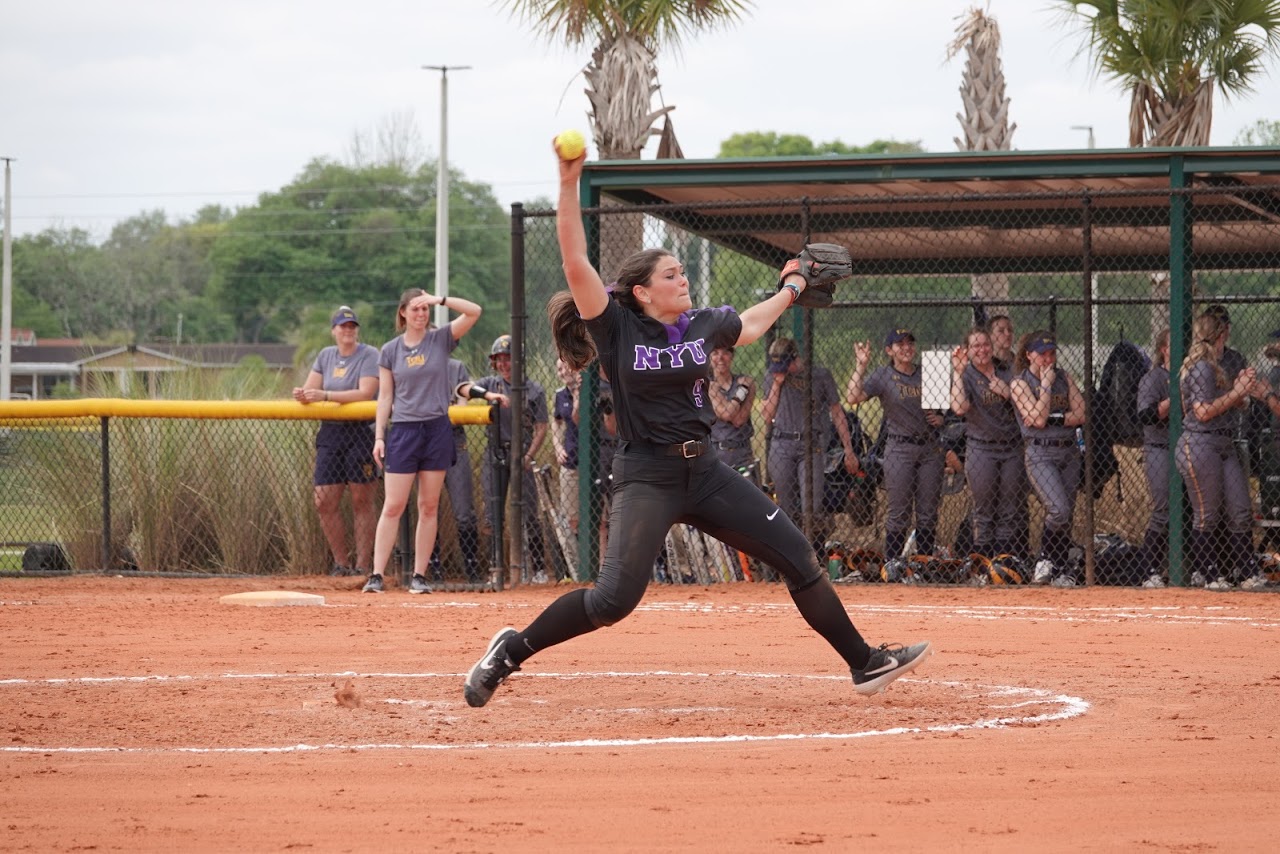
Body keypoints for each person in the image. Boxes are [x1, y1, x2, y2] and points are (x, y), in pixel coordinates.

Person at [461, 145, 930, 709]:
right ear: (642, 291)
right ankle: (511, 650)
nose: (682, 280)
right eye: (671, 274)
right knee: (612, 600)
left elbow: (752, 325)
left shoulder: (700, 325)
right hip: (646, 475)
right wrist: (567, 182)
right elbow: (574, 265)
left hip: (705, 471)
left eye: (683, 272)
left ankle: (864, 662)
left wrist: (794, 287)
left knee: (799, 556)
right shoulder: (615, 330)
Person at [362, 288, 491, 594]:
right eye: (415, 309)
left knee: (428, 505)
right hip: (404, 430)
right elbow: (385, 397)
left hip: (435, 429)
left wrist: (438, 299)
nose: (421, 314)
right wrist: (380, 436)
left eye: (424, 309)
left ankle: (419, 576)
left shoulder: (440, 339)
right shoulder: (391, 350)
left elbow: (474, 311)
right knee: (393, 505)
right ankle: (377, 575)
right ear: (403, 312)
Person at [292, 306, 380, 577]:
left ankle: (363, 565)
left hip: (361, 430)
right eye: (343, 326)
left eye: (352, 326)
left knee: (361, 498)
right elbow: (311, 389)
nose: (348, 331)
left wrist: (326, 395)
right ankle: (341, 563)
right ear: (333, 331)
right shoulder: (326, 355)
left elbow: (366, 392)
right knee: (324, 500)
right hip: (331, 431)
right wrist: (304, 395)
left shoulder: (369, 354)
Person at [1175, 312, 1260, 590]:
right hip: (1200, 442)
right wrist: (1236, 392)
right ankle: (1209, 574)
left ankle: (1248, 571)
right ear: (1222, 333)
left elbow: (1239, 404)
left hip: (1223, 443)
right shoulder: (1201, 367)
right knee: (1207, 514)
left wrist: (1242, 391)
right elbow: (1202, 412)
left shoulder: (1218, 364)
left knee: (1240, 509)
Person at [847, 327, 944, 562]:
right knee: (899, 511)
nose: (907, 348)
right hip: (900, 448)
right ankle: (892, 564)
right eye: (900, 345)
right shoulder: (883, 375)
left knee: (927, 513)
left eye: (910, 343)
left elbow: (945, 414)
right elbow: (852, 397)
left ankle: (923, 564)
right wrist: (861, 365)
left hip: (930, 448)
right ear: (890, 350)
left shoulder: (929, 371)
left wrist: (942, 418)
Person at [761, 337, 859, 564]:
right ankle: (786, 559)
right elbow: (767, 415)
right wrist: (777, 383)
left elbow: (837, 413)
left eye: (786, 364)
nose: (783, 370)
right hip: (782, 443)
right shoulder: (774, 377)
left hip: (810, 444)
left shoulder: (820, 375)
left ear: (796, 358)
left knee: (811, 506)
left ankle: (812, 558)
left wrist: (849, 450)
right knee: (785, 505)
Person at [1010, 331, 1087, 587]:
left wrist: (1056, 418)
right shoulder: (1020, 383)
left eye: (1051, 353)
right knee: (1058, 509)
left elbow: (1081, 412)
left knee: (1067, 513)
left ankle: (1060, 566)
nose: (1047, 358)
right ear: (1029, 355)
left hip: (1068, 451)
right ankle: (1045, 559)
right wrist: (1045, 386)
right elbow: (1037, 418)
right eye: (1042, 353)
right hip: (1040, 452)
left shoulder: (1064, 377)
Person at [476, 334, 552, 585]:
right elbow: (463, 391)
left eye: (508, 359)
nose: (504, 364)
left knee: (529, 513)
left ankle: (539, 568)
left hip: (522, 454)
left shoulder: (534, 389)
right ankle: (494, 568)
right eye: (499, 359)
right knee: (492, 513)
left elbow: (542, 426)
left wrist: (529, 455)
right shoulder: (490, 384)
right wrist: (486, 396)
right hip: (495, 453)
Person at [950, 326, 1025, 563]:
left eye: (985, 345)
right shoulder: (967, 374)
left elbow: (1026, 405)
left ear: (991, 347)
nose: (981, 350)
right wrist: (958, 372)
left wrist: (1008, 393)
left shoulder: (1008, 371)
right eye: (975, 346)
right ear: (968, 350)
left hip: (1011, 447)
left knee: (1009, 509)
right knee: (983, 510)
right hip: (982, 448)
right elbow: (960, 408)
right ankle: (982, 563)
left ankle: (1003, 563)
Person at [427, 356, 486, 585]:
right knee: (428, 510)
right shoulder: (416, 366)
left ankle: (471, 566)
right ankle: (432, 569)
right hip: (426, 442)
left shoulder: (455, 367)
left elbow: (460, 409)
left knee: (464, 513)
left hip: (454, 442)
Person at [1135, 329, 1172, 588]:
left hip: (1188, 447)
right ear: (1163, 349)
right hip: (1159, 447)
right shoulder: (1154, 378)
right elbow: (1147, 416)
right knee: (1164, 509)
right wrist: (1174, 397)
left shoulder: (1195, 374)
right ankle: (1148, 569)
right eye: (1174, 345)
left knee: (1193, 510)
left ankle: (1193, 568)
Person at [551, 357, 582, 575]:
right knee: (572, 518)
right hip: (571, 460)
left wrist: (579, 393)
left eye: (566, 367)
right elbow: (556, 421)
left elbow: (578, 418)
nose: (563, 372)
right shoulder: (559, 395)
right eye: (559, 369)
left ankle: (601, 567)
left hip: (594, 459)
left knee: (601, 520)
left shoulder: (590, 389)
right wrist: (557, 446)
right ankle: (581, 566)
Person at [708, 344, 756, 470]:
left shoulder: (747, 381)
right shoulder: (706, 385)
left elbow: (739, 420)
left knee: (748, 489)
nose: (720, 358)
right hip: (716, 452)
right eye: (715, 353)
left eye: (725, 353)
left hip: (742, 452)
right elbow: (727, 414)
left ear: (732, 356)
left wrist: (724, 399)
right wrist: (742, 392)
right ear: (709, 357)